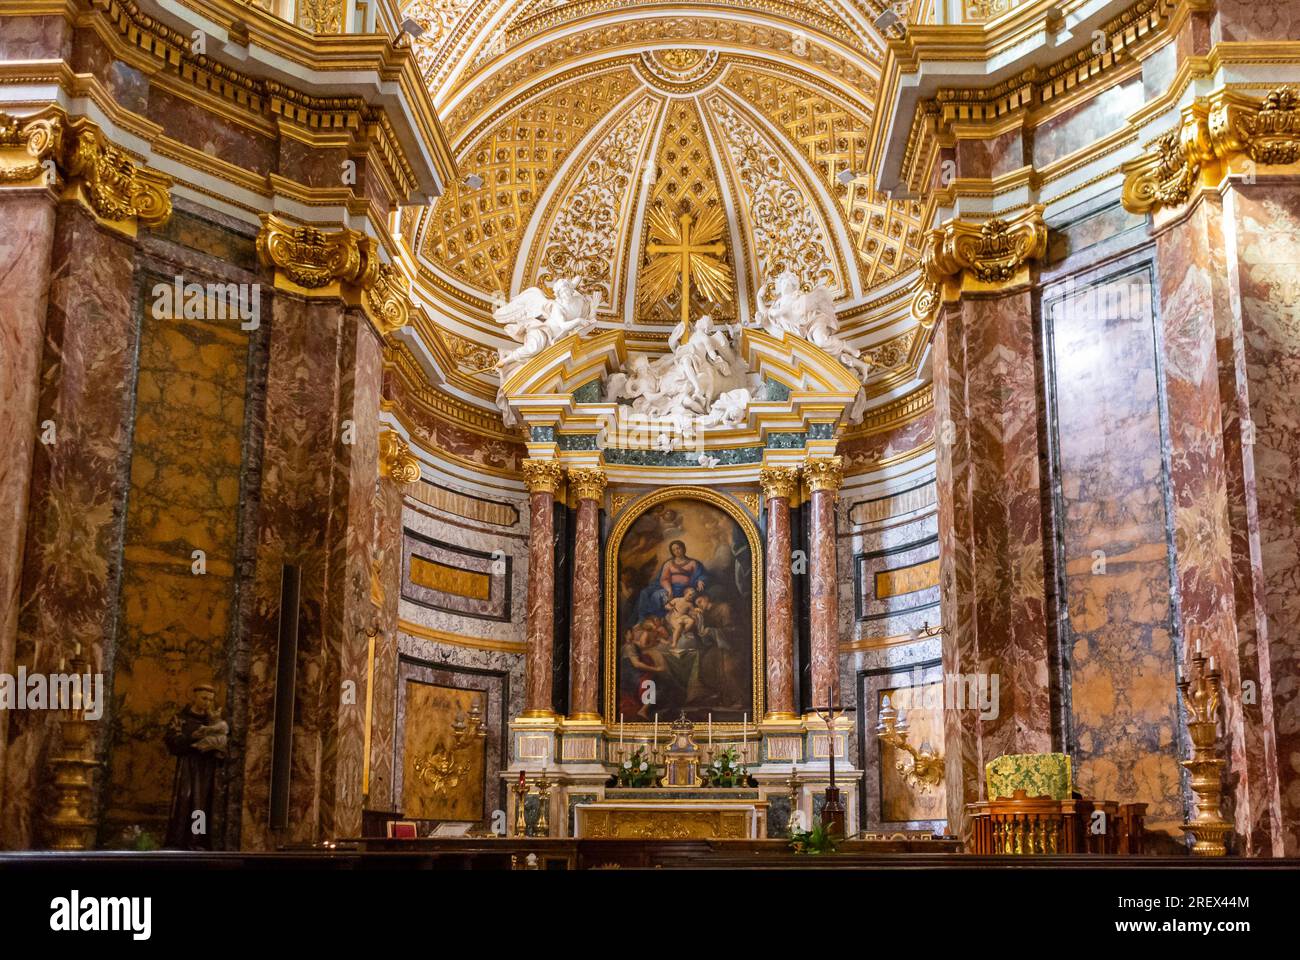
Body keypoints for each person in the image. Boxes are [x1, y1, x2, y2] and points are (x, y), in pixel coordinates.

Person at [164, 683, 228, 850]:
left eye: (210, 700)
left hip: (207, 768)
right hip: (187, 767)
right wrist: (192, 737)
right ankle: (178, 841)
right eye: (204, 698)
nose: (207, 702)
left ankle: (197, 840)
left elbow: (224, 743)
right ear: (194, 696)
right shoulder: (181, 719)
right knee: (185, 802)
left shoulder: (213, 721)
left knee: (202, 804)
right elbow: (173, 742)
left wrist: (218, 747)